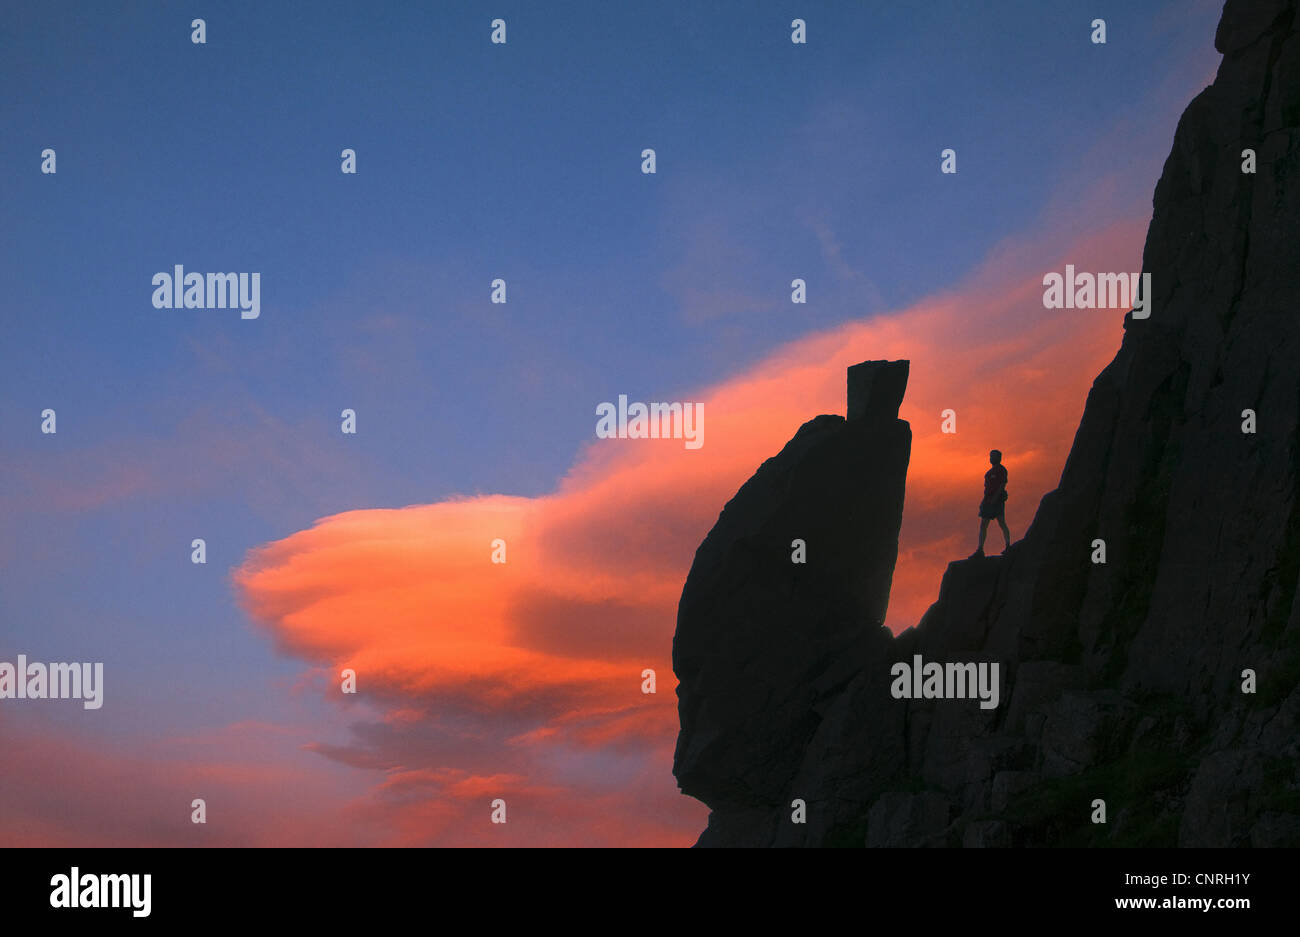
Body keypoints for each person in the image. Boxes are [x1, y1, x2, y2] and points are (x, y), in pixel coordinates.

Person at [971, 449, 1010, 558]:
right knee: (983, 524)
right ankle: (980, 549)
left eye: (993, 456)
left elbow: (1002, 484)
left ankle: (1008, 545)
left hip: (997, 500)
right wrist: (984, 501)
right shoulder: (988, 473)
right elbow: (987, 488)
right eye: (990, 456)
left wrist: (996, 497)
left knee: (1001, 522)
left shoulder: (1001, 470)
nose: (991, 458)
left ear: (999, 458)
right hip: (988, 500)